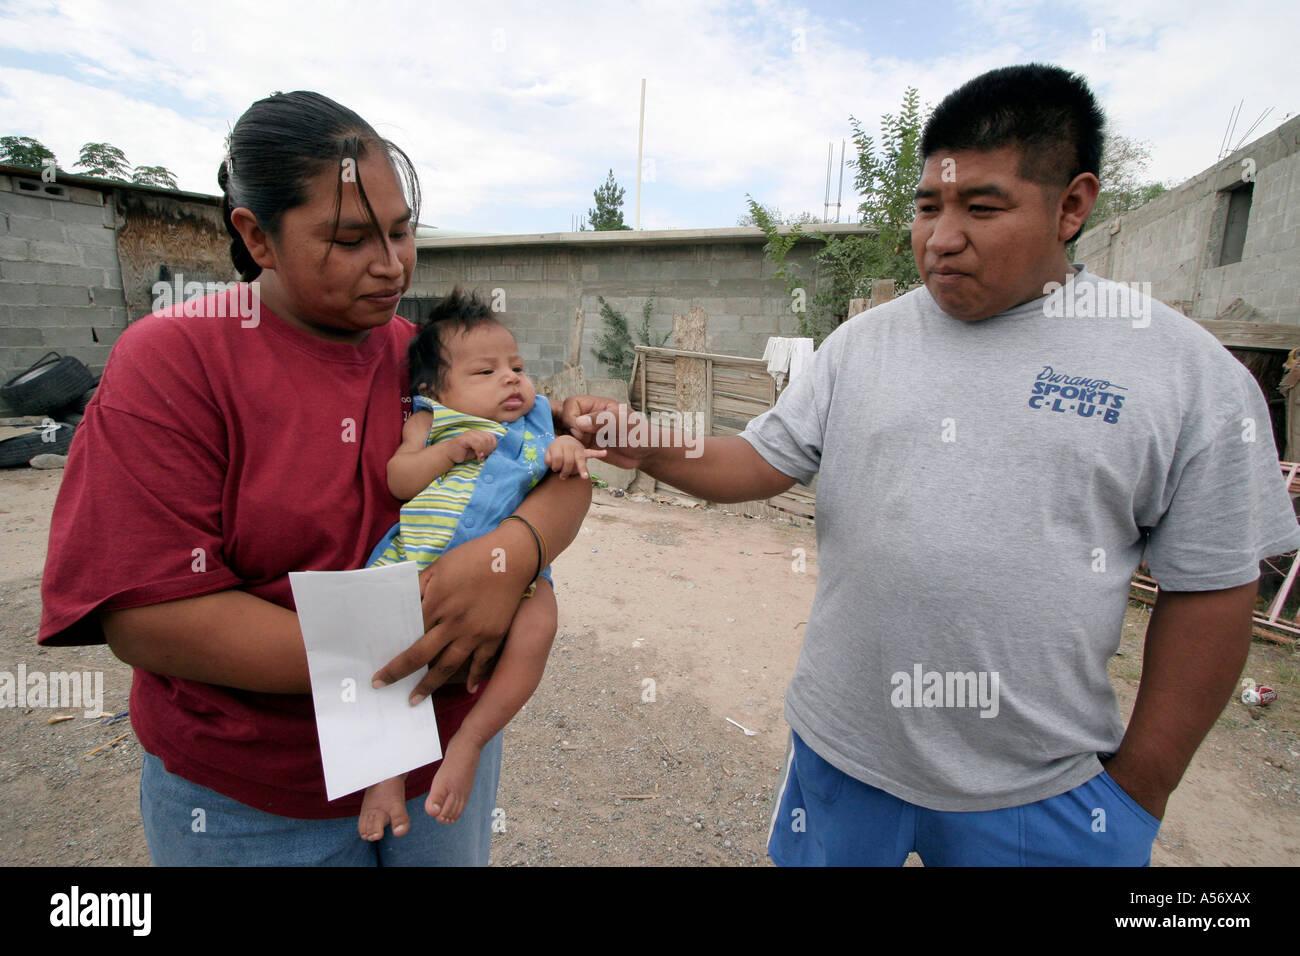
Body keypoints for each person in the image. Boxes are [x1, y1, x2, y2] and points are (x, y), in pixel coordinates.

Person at [564, 63, 1300, 865]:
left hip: (1043, 795)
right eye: (927, 206)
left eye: (983, 207)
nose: (941, 237)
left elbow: (1214, 585)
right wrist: (650, 442)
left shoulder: (1185, 374)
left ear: (1073, 205)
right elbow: (760, 461)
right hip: (841, 759)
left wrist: (1137, 793)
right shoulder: (863, 345)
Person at [37, 91, 591, 866]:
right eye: (350, 238)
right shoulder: (174, 360)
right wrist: (423, 633)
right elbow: (146, 615)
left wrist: (510, 560)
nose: (391, 264)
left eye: (402, 233)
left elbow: (557, 469)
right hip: (254, 801)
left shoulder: (427, 354)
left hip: (434, 765)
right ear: (256, 235)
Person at [359, 289, 600, 840]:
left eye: (517, 366)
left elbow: (563, 470)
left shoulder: (537, 422)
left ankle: (470, 740)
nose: (512, 379)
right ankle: (385, 773)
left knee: (541, 623)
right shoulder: (431, 422)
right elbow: (399, 479)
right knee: (384, 644)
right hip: (422, 557)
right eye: (486, 371)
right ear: (433, 389)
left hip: (514, 573)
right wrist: (448, 451)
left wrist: (567, 451)